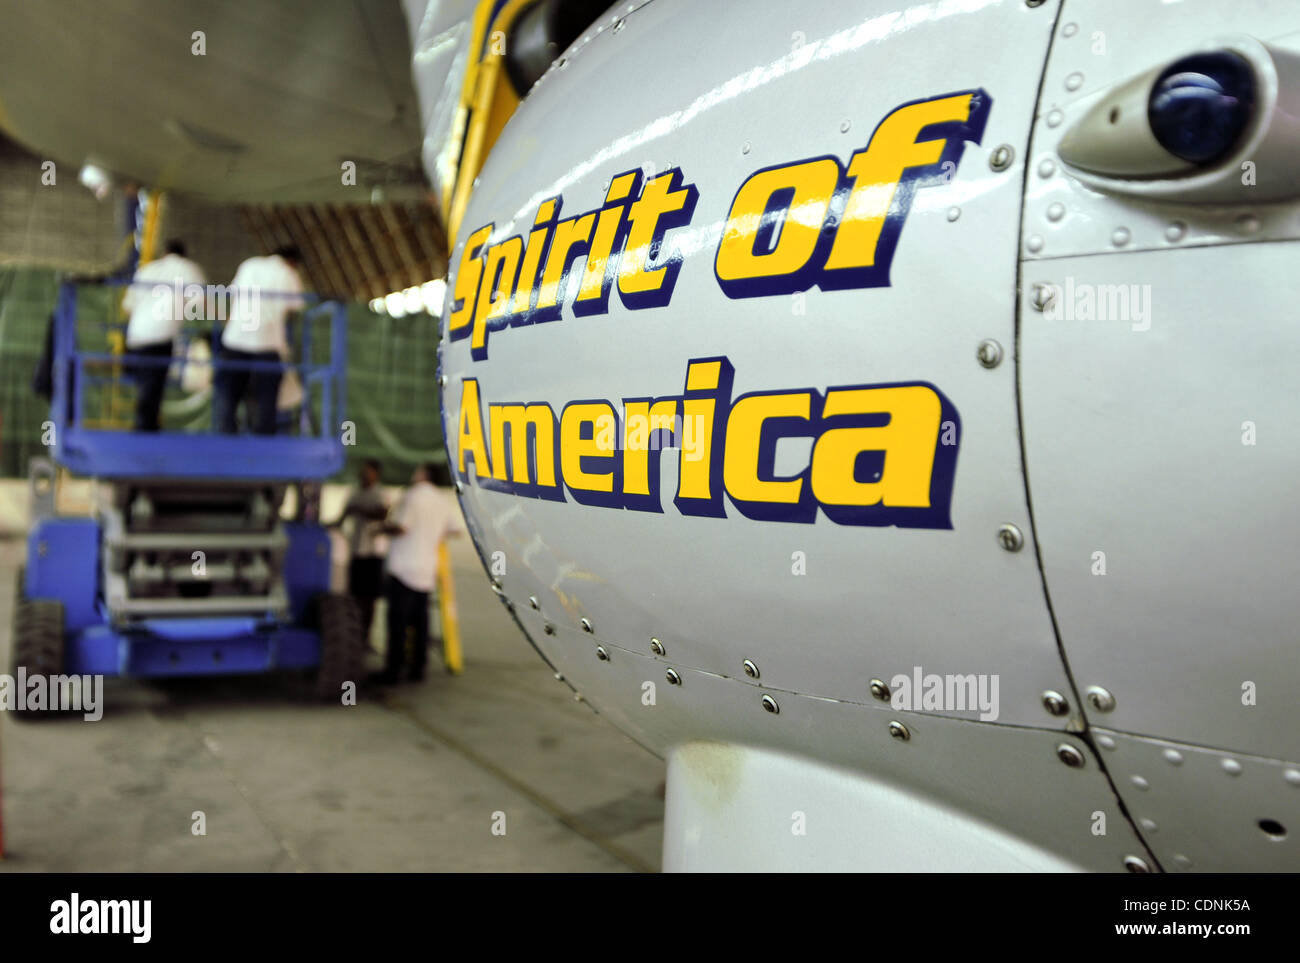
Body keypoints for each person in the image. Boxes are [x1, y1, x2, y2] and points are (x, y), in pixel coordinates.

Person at [379, 462, 463, 683]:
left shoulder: (412, 496)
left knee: (398, 623)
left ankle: (393, 671)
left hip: (403, 568)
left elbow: (402, 527)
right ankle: (418, 668)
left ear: (424, 474)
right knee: (420, 622)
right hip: (426, 570)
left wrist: (381, 528)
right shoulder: (441, 501)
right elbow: (456, 530)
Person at [215, 245, 305, 434]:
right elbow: (296, 306)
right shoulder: (288, 273)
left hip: (235, 338)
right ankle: (264, 435)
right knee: (267, 393)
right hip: (267, 342)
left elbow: (232, 296)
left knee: (230, 389)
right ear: (292, 262)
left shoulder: (249, 265)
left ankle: (226, 431)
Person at [120, 240, 205, 431]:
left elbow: (127, 307)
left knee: (145, 383)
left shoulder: (147, 269)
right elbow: (200, 304)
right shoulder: (188, 269)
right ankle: (145, 428)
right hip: (161, 335)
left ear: (164, 253)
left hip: (136, 334)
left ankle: (146, 425)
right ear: (183, 254)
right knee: (153, 383)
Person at [328, 459, 389, 647]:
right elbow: (342, 516)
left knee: (369, 599)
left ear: (376, 474)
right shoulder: (354, 492)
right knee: (353, 596)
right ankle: (354, 636)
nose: (364, 475)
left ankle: (366, 637)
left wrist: (359, 510)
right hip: (356, 552)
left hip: (373, 554)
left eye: (368, 472)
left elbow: (382, 514)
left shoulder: (380, 494)